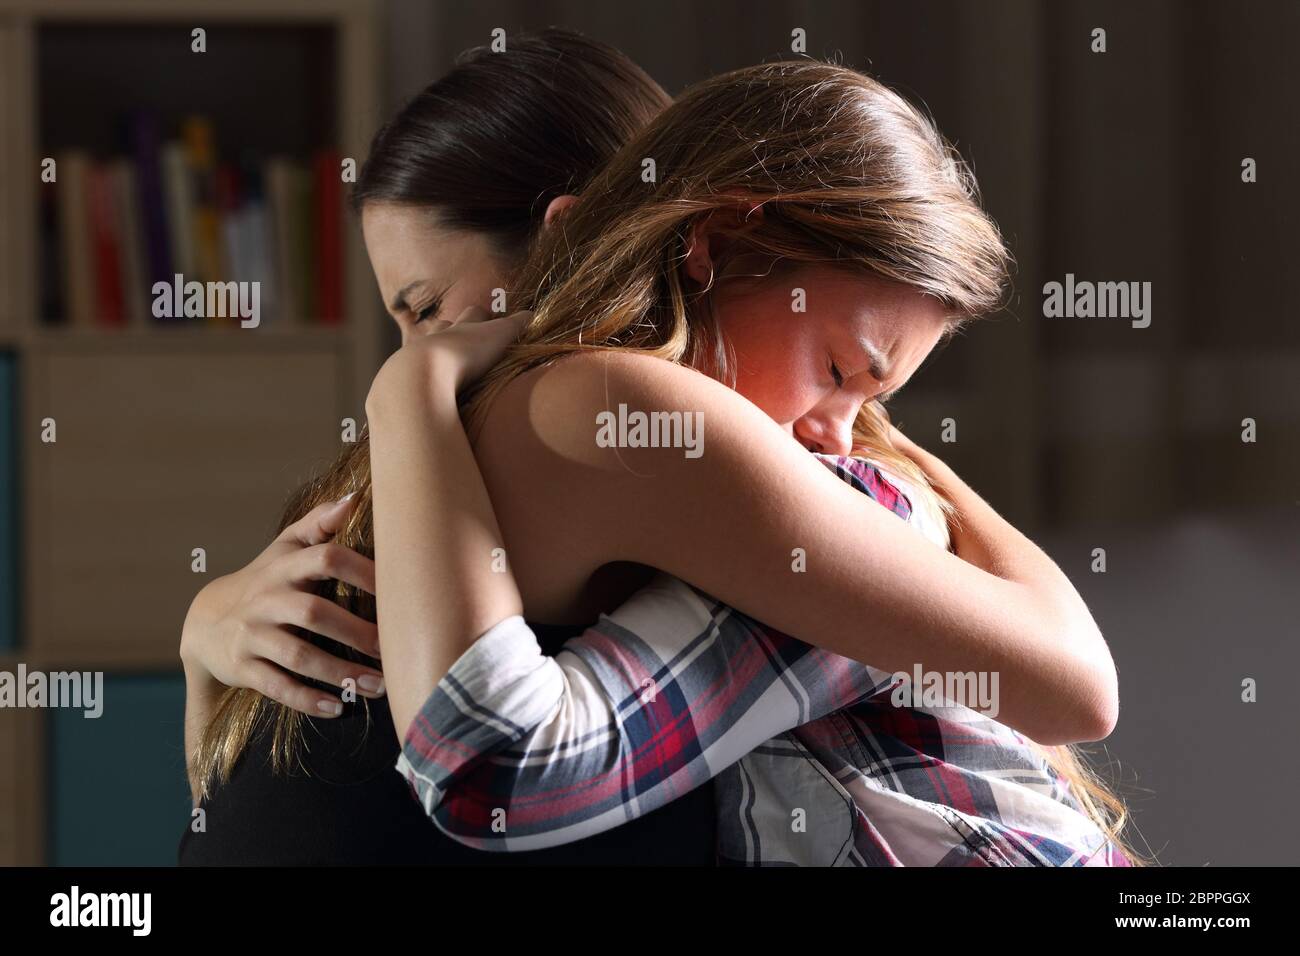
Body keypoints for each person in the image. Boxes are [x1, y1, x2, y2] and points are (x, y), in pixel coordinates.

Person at [365, 59, 1138, 865]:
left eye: (870, 401)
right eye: (840, 374)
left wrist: (405, 393)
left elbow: (1076, 691)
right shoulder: (613, 405)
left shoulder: (705, 450)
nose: (839, 436)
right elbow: (1078, 687)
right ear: (719, 242)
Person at [177, 29, 722, 865]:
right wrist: (205, 640)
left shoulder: (583, 422)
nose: (415, 352)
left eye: (426, 308)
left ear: (563, 244)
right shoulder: (460, 450)